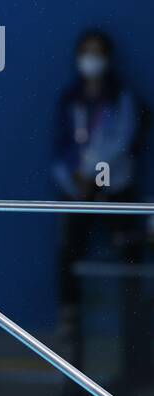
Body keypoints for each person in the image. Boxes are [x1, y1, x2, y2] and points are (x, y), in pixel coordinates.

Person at [52, 30, 147, 358]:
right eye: (85, 52)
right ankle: (70, 335)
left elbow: (123, 140)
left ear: (107, 57)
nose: (91, 59)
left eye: (97, 52)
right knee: (69, 255)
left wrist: (96, 177)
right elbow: (62, 146)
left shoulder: (122, 97)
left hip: (116, 189)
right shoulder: (70, 98)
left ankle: (137, 332)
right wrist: (75, 179)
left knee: (129, 256)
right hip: (77, 192)